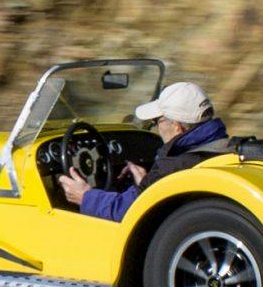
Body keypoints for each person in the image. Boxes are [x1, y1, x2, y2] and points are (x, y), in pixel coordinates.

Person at [61, 81, 230, 222]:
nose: (156, 127)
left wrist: (85, 197)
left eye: (158, 120)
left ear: (177, 128)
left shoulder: (173, 167)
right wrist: (147, 183)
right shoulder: (224, 147)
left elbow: (128, 211)